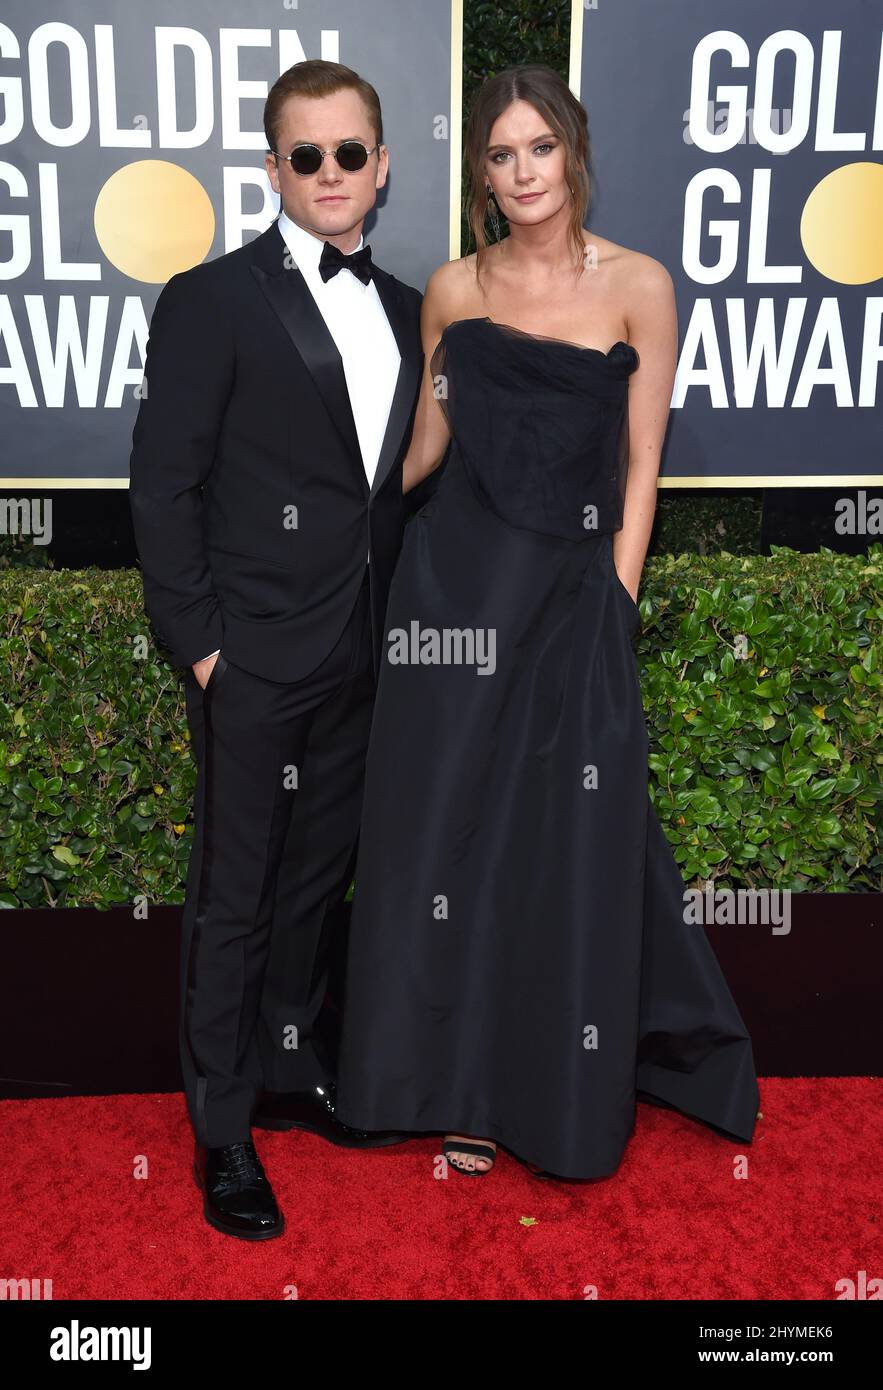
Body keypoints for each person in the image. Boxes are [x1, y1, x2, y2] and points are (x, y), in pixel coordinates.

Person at [335, 64, 760, 1179]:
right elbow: (425, 447)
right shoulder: (449, 290)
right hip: (452, 595)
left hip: (569, 594)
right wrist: (334, 501)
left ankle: (548, 1087)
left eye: (538, 147)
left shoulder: (639, 286)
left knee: (549, 840)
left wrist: (615, 599)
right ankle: (456, 1087)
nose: (521, 171)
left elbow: (644, 458)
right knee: (444, 833)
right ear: (479, 172)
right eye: (499, 154)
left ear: (571, 152)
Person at [129, 60, 422, 1237]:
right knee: (236, 896)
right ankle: (219, 1130)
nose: (331, 174)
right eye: (306, 156)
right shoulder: (211, 299)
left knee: (314, 882)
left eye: (350, 152)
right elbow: (163, 488)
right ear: (273, 169)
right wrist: (203, 649)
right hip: (251, 660)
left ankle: (292, 1070)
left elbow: (396, 492)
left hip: (365, 653)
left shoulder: (409, 308)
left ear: (382, 163)